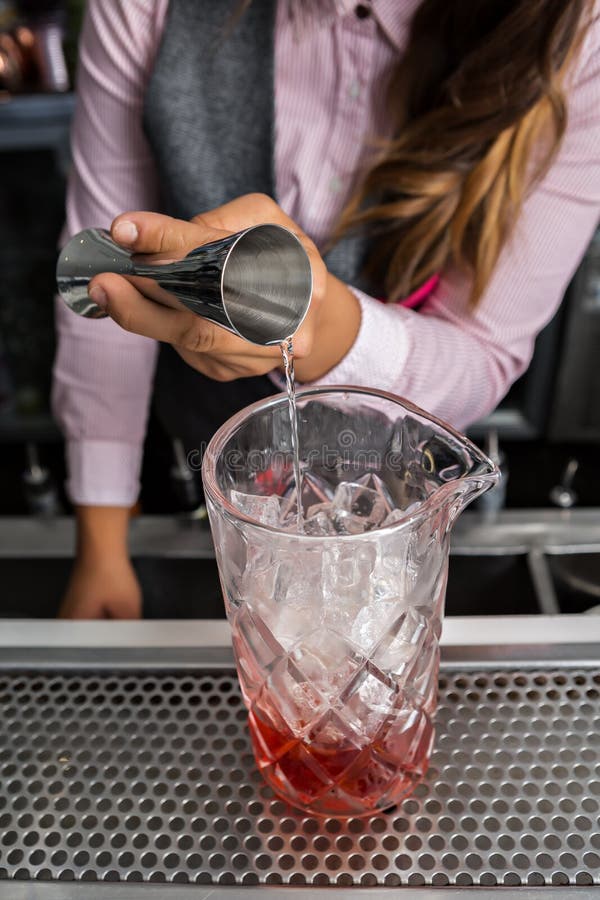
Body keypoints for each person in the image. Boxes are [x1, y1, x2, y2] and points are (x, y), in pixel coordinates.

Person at [54, 0, 600, 619]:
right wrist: (101, 547)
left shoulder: (573, 33)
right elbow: (104, 273)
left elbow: (483, 351)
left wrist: (329, 330)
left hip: (391, 503)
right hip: (195, 466)